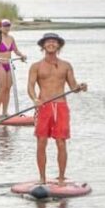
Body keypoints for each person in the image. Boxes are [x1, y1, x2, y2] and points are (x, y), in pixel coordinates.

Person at [27, 33, 87, 186]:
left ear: (59, 45)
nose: (51, 44)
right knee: (41, 142)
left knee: (61, 142)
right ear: (43, 46)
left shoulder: (66, 65)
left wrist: (80, 87)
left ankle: (61, 178)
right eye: (48, 42)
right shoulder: (36, 66)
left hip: (61, 106)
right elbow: (30, 87)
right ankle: (42, 178)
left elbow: (73, 87)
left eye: (54, 42)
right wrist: (35, 99)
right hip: (44, 106)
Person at [0, 19, 26, 117]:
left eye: (8, 26)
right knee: (2, 88)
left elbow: (16, 51)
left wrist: (22, 55)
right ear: (0, 27)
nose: (7, 28)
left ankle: (5, 112)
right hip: (0, 64)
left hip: (9, 64)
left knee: (8, 88)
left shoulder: (11, 38)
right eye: (5, 26)